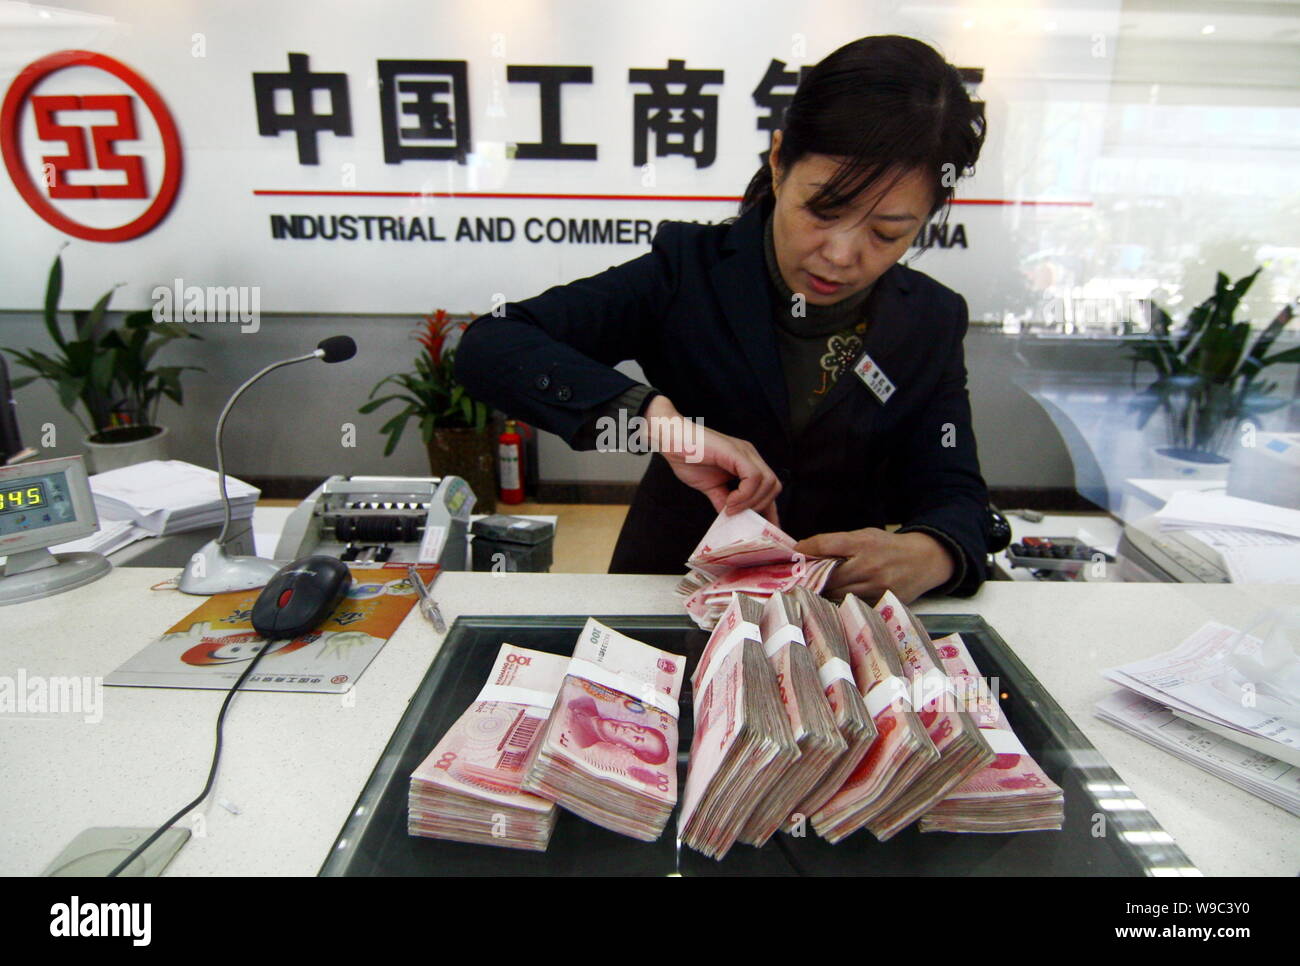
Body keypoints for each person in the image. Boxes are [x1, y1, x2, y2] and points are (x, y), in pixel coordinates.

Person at [456, 35, 990, 604]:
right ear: (780, 162)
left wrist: (935, 551)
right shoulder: (689, 271)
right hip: (670, 592)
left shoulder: (931, 318)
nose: (840, 253)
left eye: (887, 233)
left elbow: (953, 487)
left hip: (832, 613)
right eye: (824, 210)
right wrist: (656, 420)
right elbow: (492, 345)